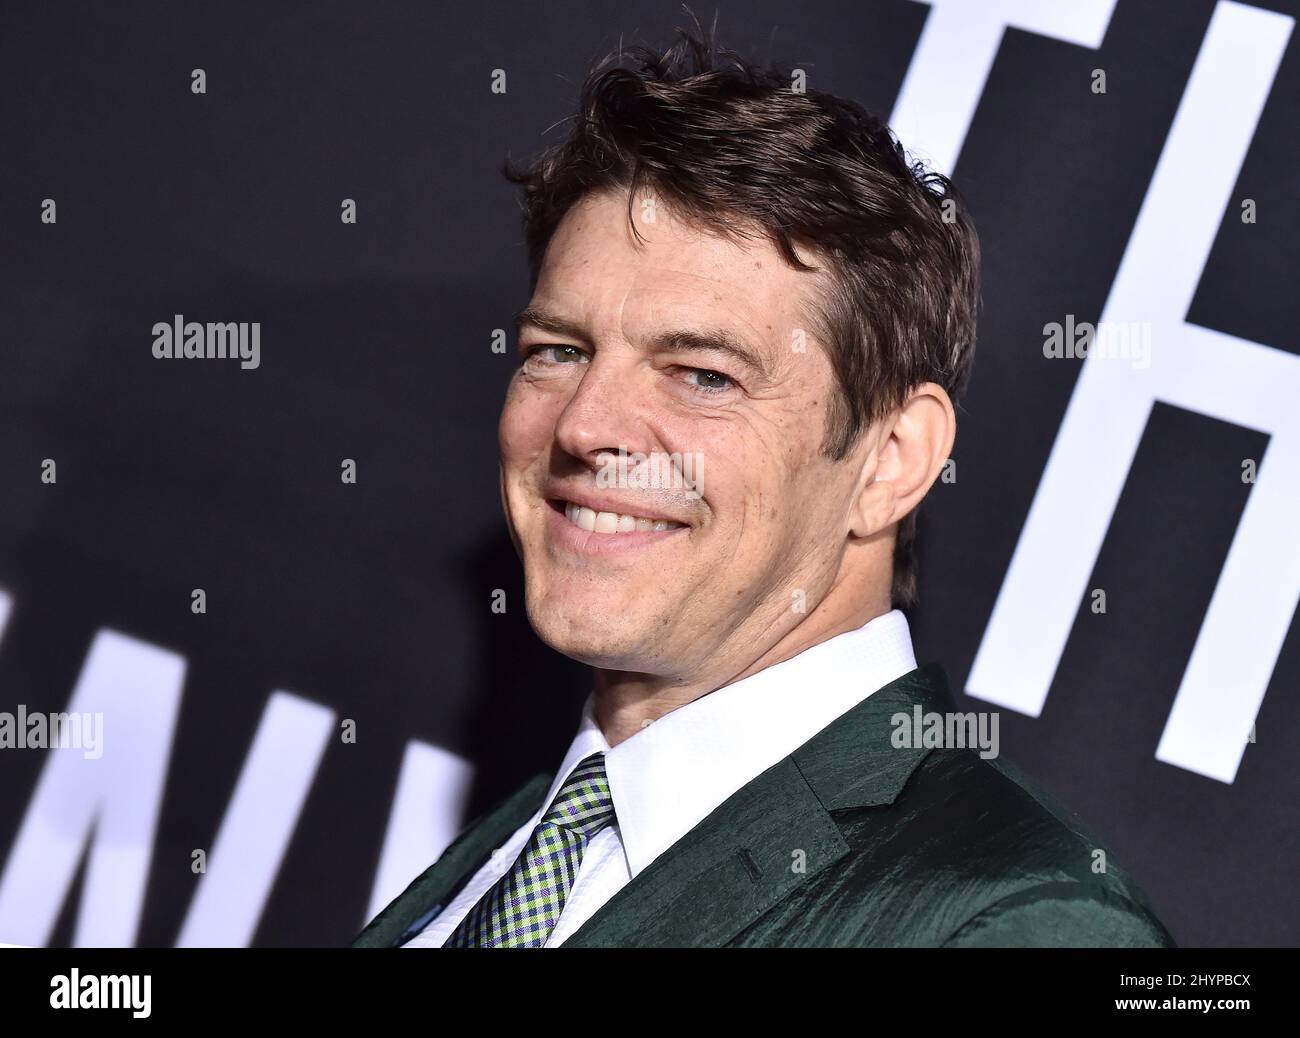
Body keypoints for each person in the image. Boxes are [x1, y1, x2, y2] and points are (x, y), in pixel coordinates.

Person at [353, 26, 1173, 948]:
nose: (584, 426)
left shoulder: (1020, 921)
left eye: (703, 374)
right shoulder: (518, 852)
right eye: (559, 352)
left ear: (893, 458)